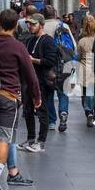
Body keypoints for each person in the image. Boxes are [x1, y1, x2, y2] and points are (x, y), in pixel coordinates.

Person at [0, 8, 42, 190]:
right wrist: (37, 97)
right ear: (15, 26)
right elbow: (31, 76)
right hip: (8, 96)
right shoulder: (18, 46)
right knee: (4, 139)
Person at [24, 14, 55, 151]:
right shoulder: (29, 40)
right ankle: (31, 139)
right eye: (29, 24)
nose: (30, 26)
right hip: (29, 80)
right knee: (28, 110)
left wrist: (33, 60)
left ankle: (41, 141)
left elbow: (50, 61)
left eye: (33, 24)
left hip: (42, 80)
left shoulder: (48, 41)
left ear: (41, 25)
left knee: (42, 110)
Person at [77, 14, 95, 126]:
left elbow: (79, 56)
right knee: (94, 93)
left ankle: (88, 111)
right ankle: (93, 111)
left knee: (85, 93)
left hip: (85, 68)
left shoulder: (82, 41)